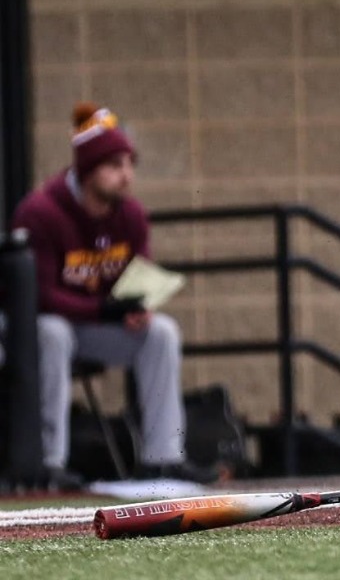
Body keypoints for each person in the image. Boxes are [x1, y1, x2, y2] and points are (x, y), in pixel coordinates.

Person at [5, 105, 209, 488]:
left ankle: (164, 458)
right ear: (88, 169)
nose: (126, 175)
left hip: (96, 327)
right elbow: (39, 296)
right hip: (43, 330)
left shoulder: (130, 215)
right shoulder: (40, 212)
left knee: (161, 332)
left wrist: (138, 307)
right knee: (51, 332)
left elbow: (139, 273)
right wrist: (105, 309)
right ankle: (49, 464)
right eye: (114, 165)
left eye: (130, 164)